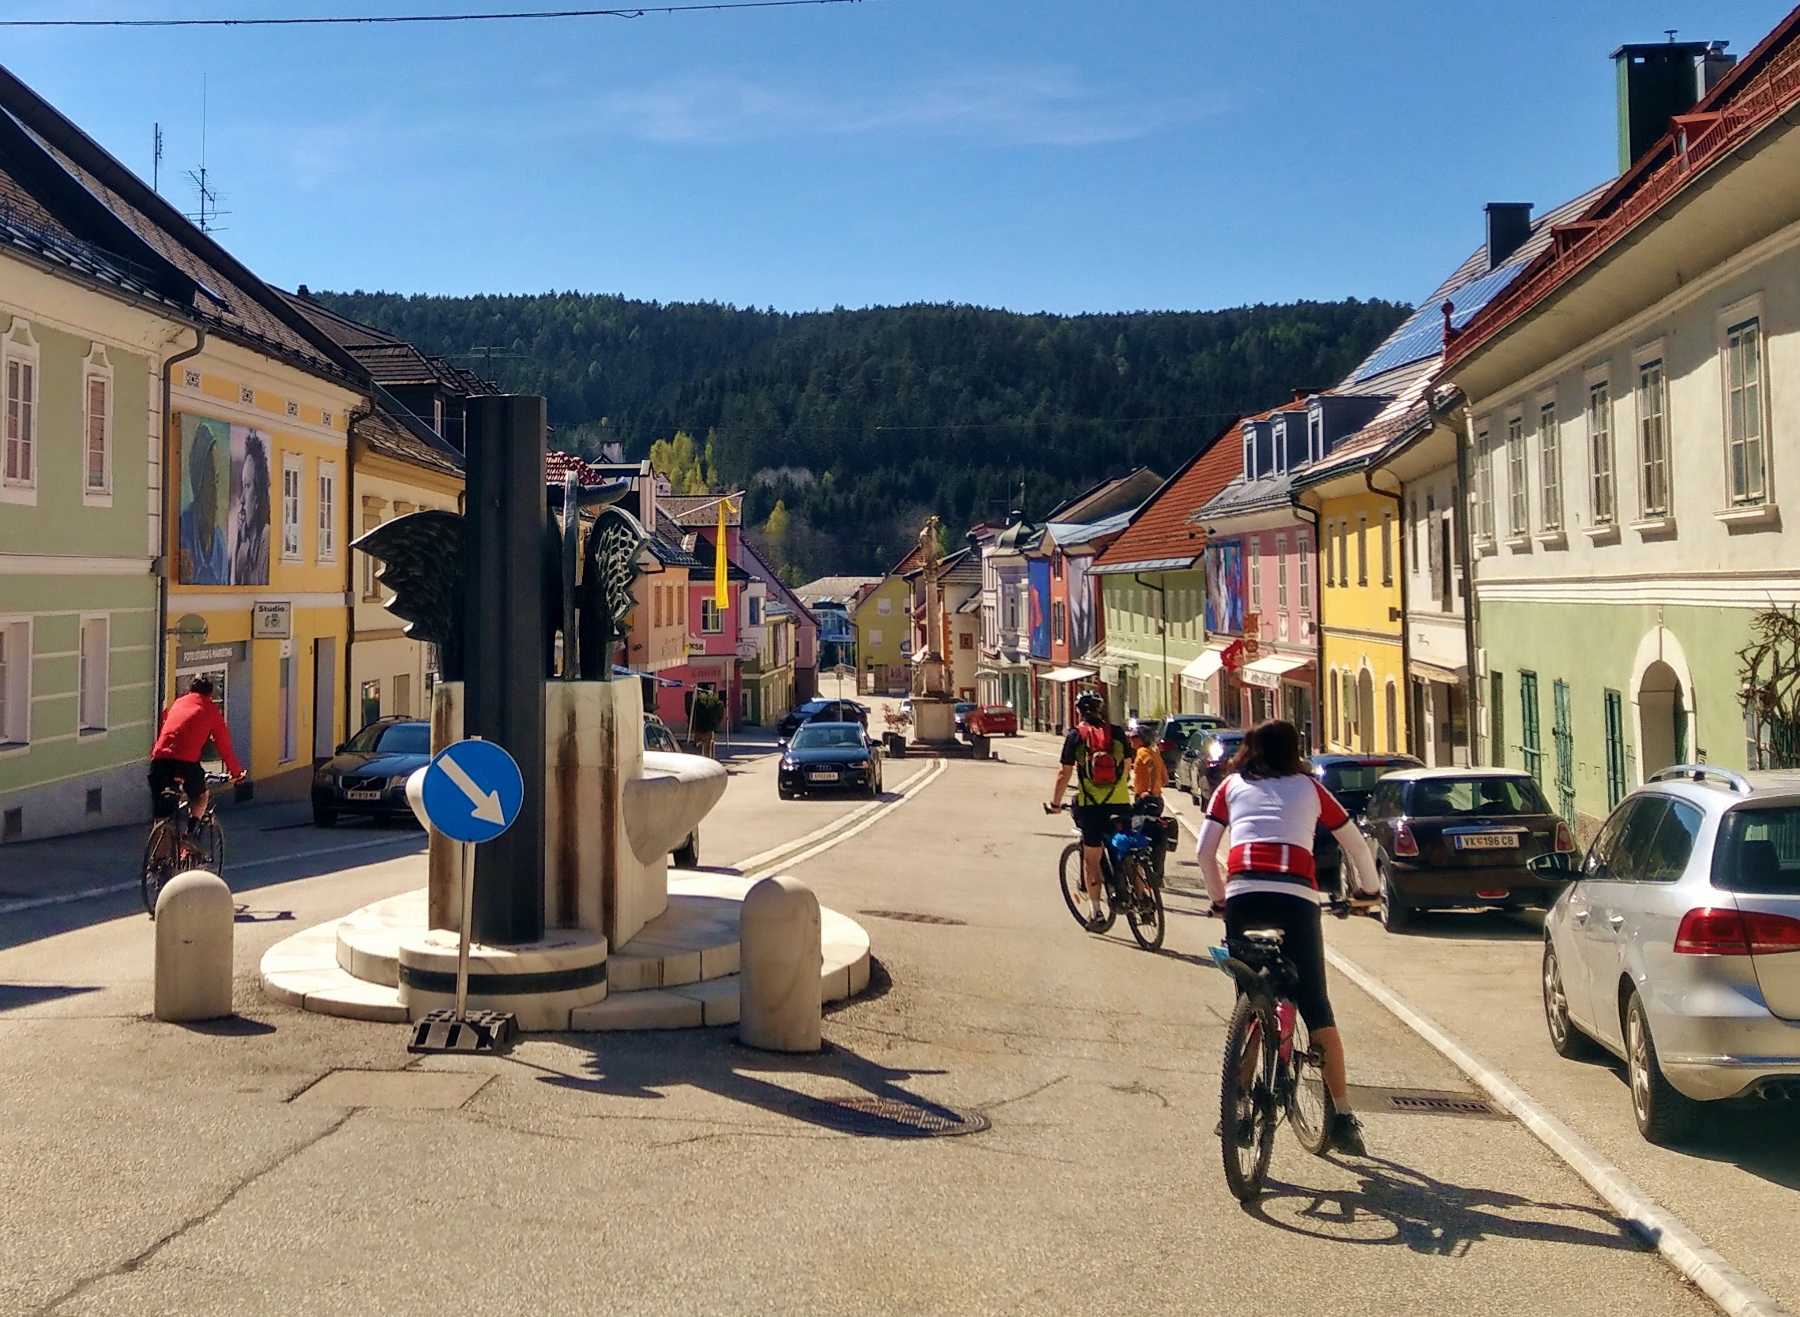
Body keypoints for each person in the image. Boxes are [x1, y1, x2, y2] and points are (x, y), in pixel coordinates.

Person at [1195, 718, 1380, 1156]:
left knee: (1251, 1001)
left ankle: (1235, 1109)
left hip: (1244, 899)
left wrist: (1220, 900)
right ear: (1296, 749)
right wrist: (1367, 893)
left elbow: (1204, 851)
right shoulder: (1311, 788)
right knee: (1316, 1007)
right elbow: (1355, 844)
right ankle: (1343, 1115)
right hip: (1296, 900)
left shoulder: (1230, 786)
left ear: (1249, 749)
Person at [1046, 692, 1131, 930]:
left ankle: (1096, 912)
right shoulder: (1117, 733)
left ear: (1078, 711)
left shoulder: (1076, 736)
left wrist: (1055, 804)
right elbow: (1126, 767)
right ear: (1100, 709)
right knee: (1127, 847)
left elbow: (1064, 773)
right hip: (1121, 801)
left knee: (1091, 859)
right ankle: (1143, 896)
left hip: (1091, 805)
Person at [150, 676, 246, 853]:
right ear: (210, 694)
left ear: (191, 690)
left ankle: (159, 862)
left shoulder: (178, 703)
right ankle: (191, 835)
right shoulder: (210, 710)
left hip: (159, 760)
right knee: (201, 795)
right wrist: (237, 773)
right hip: (185, 764)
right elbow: (224, 746)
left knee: (162, 815)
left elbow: (166, 722)